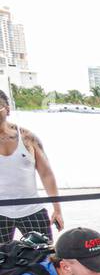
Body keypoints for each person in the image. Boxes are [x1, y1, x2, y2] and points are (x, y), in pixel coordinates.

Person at [0, 88, 63, 242]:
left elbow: (46, 174)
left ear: (7, 109)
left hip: (32, 208)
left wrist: (57, 209)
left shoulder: (27, 137)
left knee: (44, 257)